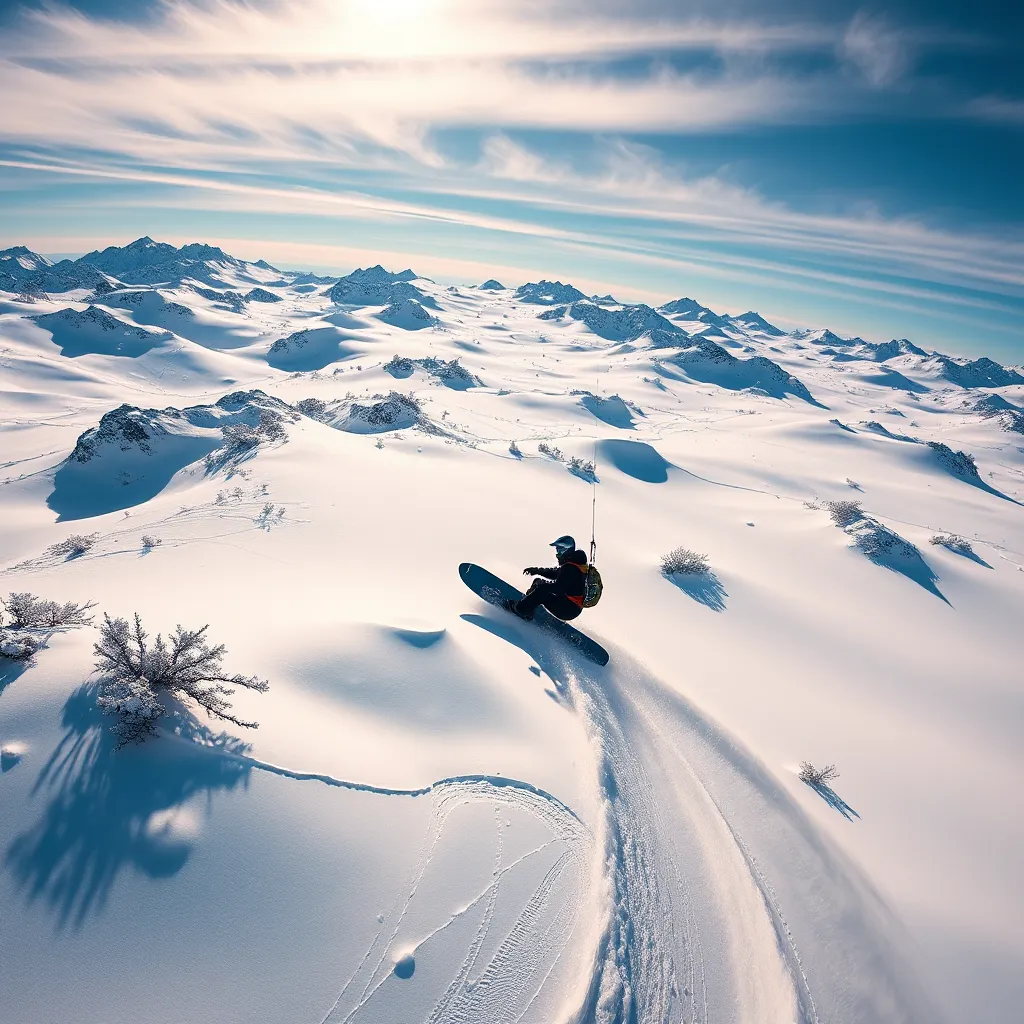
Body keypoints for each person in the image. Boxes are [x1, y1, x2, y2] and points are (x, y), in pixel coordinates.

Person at [506, 535, 588, 621]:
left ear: (566, 550)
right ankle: (528, 608)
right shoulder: (574, 564)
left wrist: (542, 587)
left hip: (568, 609)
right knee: (538, 583)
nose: (557, 554)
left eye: (559, 550)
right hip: (569, 606)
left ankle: (520, 610)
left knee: (542, 589)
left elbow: (558, 588)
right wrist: (537, 570)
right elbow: (555, 573)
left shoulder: (571, 568)